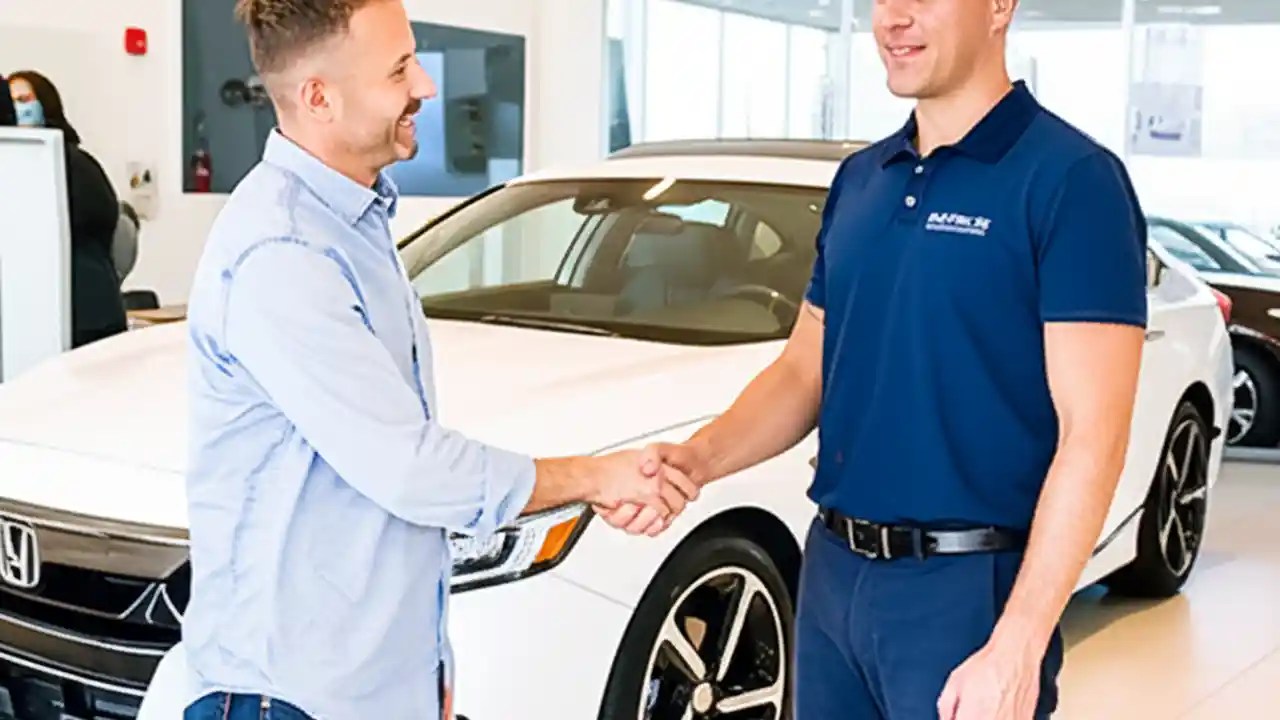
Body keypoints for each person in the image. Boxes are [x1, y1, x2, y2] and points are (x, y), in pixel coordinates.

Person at [615, 0, 1149, 718]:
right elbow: (804, 372)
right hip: (833, 573)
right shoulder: (862, 179)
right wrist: (697, 460)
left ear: (999, 7)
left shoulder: (1072, 181)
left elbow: (1095, 434)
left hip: (967, 590)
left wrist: (1020, 641)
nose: (893, 18)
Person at [179, 1, 696, 719]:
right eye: (398, 69)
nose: (425, 84)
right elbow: (410, 469)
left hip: (371, 686)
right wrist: (597, 476)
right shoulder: (284, 253)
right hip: (293, 697)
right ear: (319, 97)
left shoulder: (351, 226)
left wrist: (423, 670)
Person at [8, 70, 129, 347]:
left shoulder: (74, 164)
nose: (18, 108)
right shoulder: (18, 167)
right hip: (39, 315)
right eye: (12, 101)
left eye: (25, 99)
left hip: (86, 314)